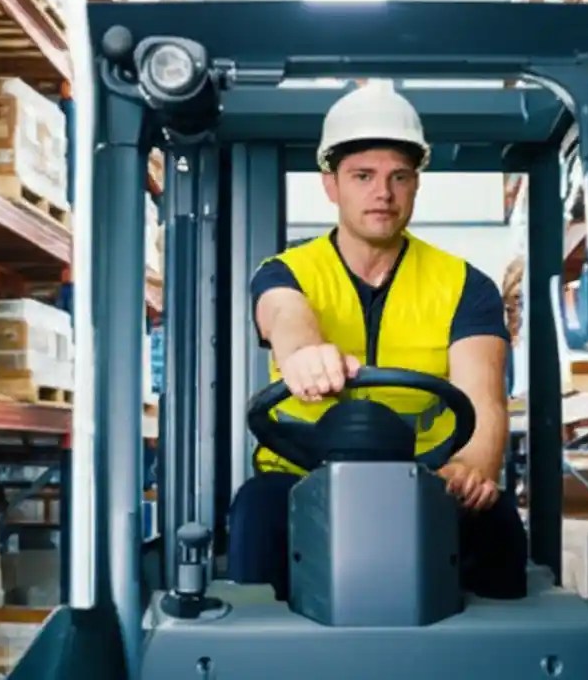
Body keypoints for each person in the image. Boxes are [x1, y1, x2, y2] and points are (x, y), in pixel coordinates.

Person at [226, 81, 528, 602]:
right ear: (331, 185)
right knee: (256, 509)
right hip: (301, 480)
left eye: (399, 178)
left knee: (497, 518)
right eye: (362, 176)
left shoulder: (465, 285)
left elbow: (484, 398)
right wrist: (304, 355)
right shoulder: (287, 272)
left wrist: (474, 468)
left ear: (416, 184)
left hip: (426, 481)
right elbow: (284, 314)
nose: (382, 193)